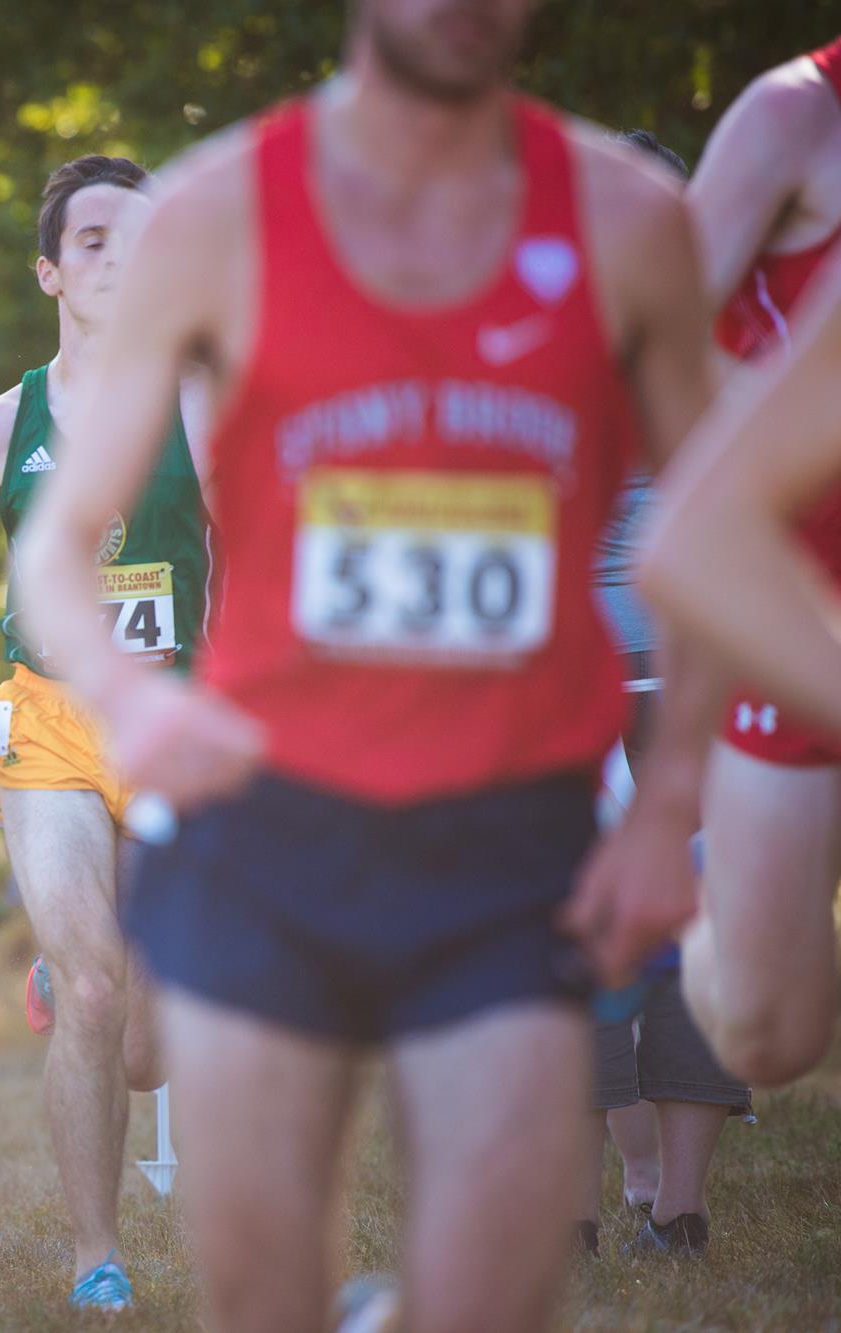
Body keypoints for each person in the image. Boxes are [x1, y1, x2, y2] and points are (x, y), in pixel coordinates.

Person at [13, 0, 718, 1324]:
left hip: (511, 839)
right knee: (262, 1289)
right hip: (271, 827)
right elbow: (57, 547)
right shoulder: (212, 214)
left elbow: (710, 526)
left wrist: (669, 804)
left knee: (498, 1292)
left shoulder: (628, 222)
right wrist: (132, 708)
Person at [0, 154, 202, 1311]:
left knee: (146, 1045)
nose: (117, 262)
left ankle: (73, 951)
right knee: (93, 992)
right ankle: (94, 1252)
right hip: (47, 725)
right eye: (92, 242)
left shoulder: (202, 408)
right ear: (49, 270)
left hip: (172, 724)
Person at [637, 36, 841, 1089]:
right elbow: (649, 335)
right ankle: (710, 905)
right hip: (776, 606)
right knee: (769, 1034)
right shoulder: (788, 117)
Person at [575, 130, 748, 1263]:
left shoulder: (728, 345)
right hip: (588, 683)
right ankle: (608, 1197)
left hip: (679, 676)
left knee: (678, 939)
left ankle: (661, 1208)